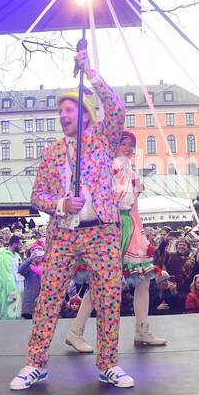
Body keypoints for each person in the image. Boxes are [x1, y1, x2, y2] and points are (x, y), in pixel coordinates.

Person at [9, 45, 133, 390]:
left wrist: (91, 72)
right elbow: (38, 196)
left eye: (69, 109)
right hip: (63, 234)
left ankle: (108, 364)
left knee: (108, 298)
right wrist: (61, 204)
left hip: (102, 232)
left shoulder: (102, 142)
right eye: (60, 110)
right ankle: (36, 363)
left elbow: (117, 109)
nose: (62, 115)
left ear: (86, 114)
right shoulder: (50, 154)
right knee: (49, 296)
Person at [66, 131, 167, 350]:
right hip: (113, 226)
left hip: (128, 228)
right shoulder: (110, 167)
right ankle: (76, 331)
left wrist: (140, 233)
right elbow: (110, 199)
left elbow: (132, 207)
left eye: (132, 145)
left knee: (143, 279)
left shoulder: (129, 170)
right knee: (102, 281)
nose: (129, 148)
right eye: (124, 143)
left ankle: (142, 330)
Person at [0, 234, 22, 319]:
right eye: (20, 244)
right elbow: (6, 277)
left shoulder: (17, 256)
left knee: (17, 319)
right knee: (9, 320)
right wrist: (11, 293)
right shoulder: (4, 258)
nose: (21, 246)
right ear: (15, 244)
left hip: (18, 292)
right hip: (8, 295)